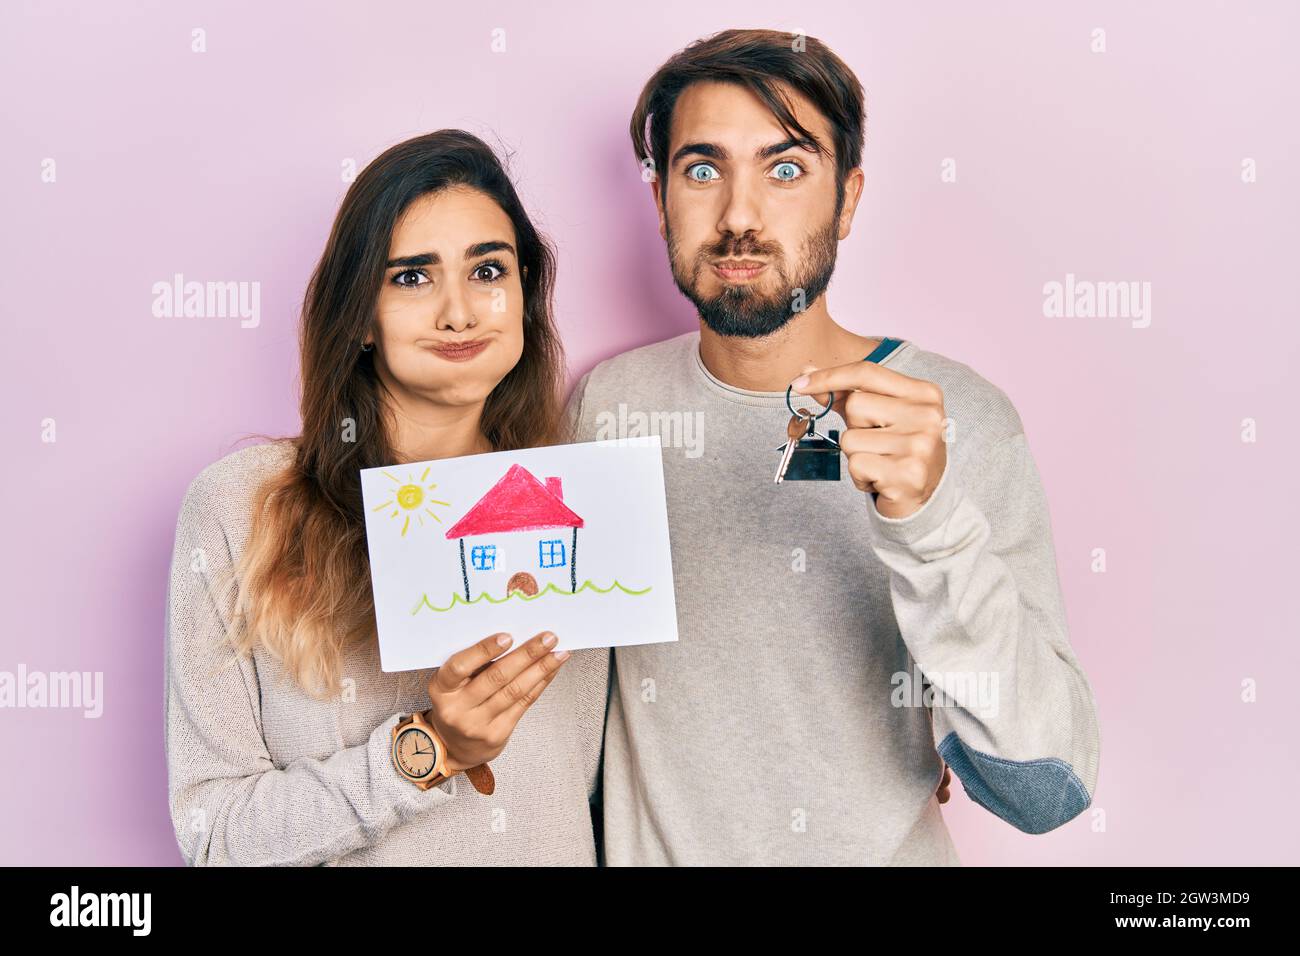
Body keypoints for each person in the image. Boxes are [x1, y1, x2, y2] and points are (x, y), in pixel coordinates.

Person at [567, 28, 1102, 865]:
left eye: (785, 170)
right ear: (659, 198)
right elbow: (567, 719)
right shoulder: (609, 405)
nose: (738, 216)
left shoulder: (959, 418)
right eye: (701, 170)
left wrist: (930, 523)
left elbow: (1044, 790)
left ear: (847, 200)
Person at [165, 129, 608, 866]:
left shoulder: (583, 509)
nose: (459, 312)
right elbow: (214, 834)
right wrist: (429, 749)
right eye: (411, 277)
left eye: (488, 270)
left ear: (525, 296)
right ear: (361, 315)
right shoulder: (238, 509)